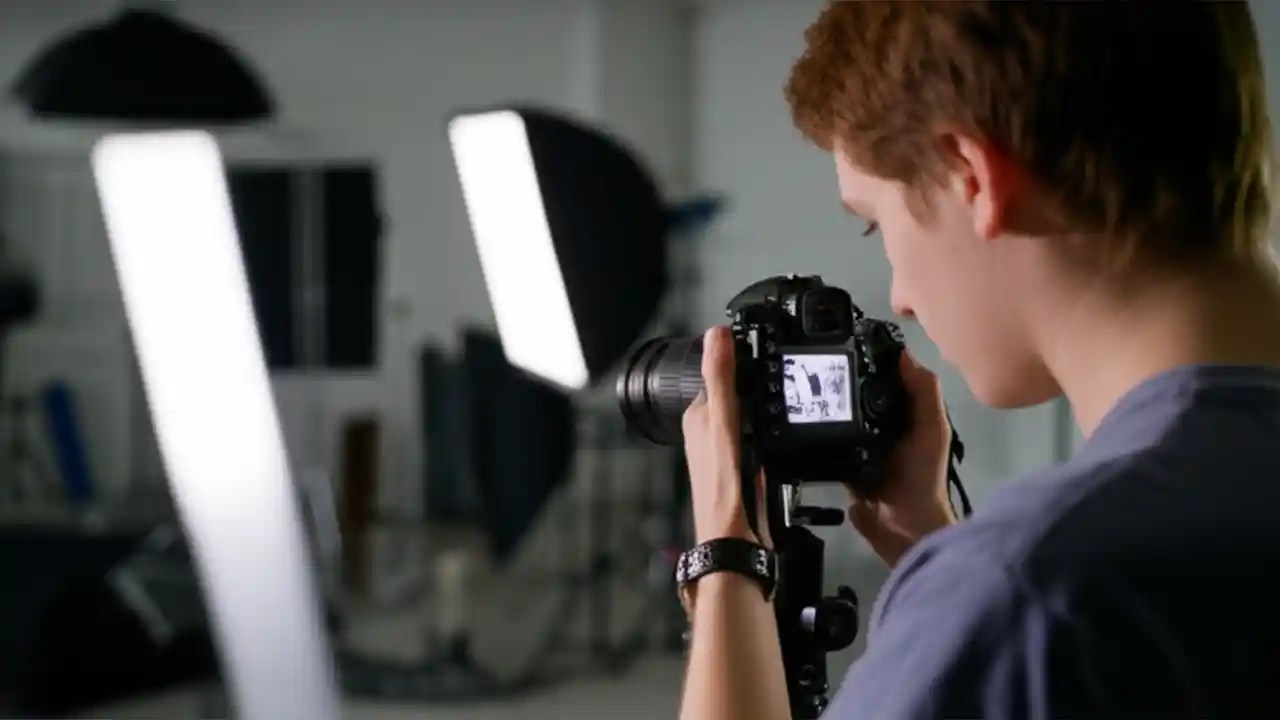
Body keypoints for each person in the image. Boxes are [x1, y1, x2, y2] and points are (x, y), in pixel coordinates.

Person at [677, 3, 1280, 719]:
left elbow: (1054, 613)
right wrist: (939, 555)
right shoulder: (1045, 589)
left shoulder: (1040, 590)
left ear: (971, 176)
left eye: (876, 221)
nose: (898, 298)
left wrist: (725, 556)